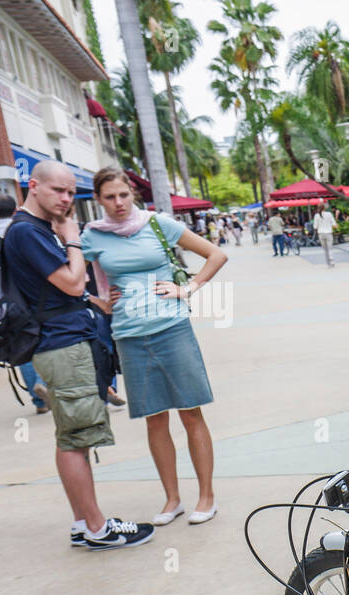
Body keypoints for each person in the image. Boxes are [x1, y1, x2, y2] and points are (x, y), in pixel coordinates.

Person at [1, 160, 155, 551]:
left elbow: (53, 288)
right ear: (33, 186)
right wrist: (71, 238)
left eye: (71, 192)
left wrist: (94, 302)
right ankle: (98, 528)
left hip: (64, 340)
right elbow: (70, 282)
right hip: (61, 346)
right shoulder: (28, 232)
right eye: (59, 191)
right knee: (76, 438)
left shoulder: (33, 230)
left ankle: (82, 522)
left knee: (72, 436)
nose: (67, 199)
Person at [81, 167, 227, 527]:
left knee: (190, 413)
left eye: (123, 195)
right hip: (129, 334)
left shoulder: (157, 224)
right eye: (110, 197)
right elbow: (71, 276)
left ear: (133, 194)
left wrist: (187, 289)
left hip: (172, 328)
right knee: (155, 419)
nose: (118, 203)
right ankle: (172, 499)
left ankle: (206, 496)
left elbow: (215, 255)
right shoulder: (92, 235)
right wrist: (98, 300)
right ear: (98, 200)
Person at [0, 193, 48, 415]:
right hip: (26, 295)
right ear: (14, 209)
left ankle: (39, 401)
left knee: (20, 345)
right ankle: (43, 381)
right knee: (39, 337)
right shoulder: (20, 228)